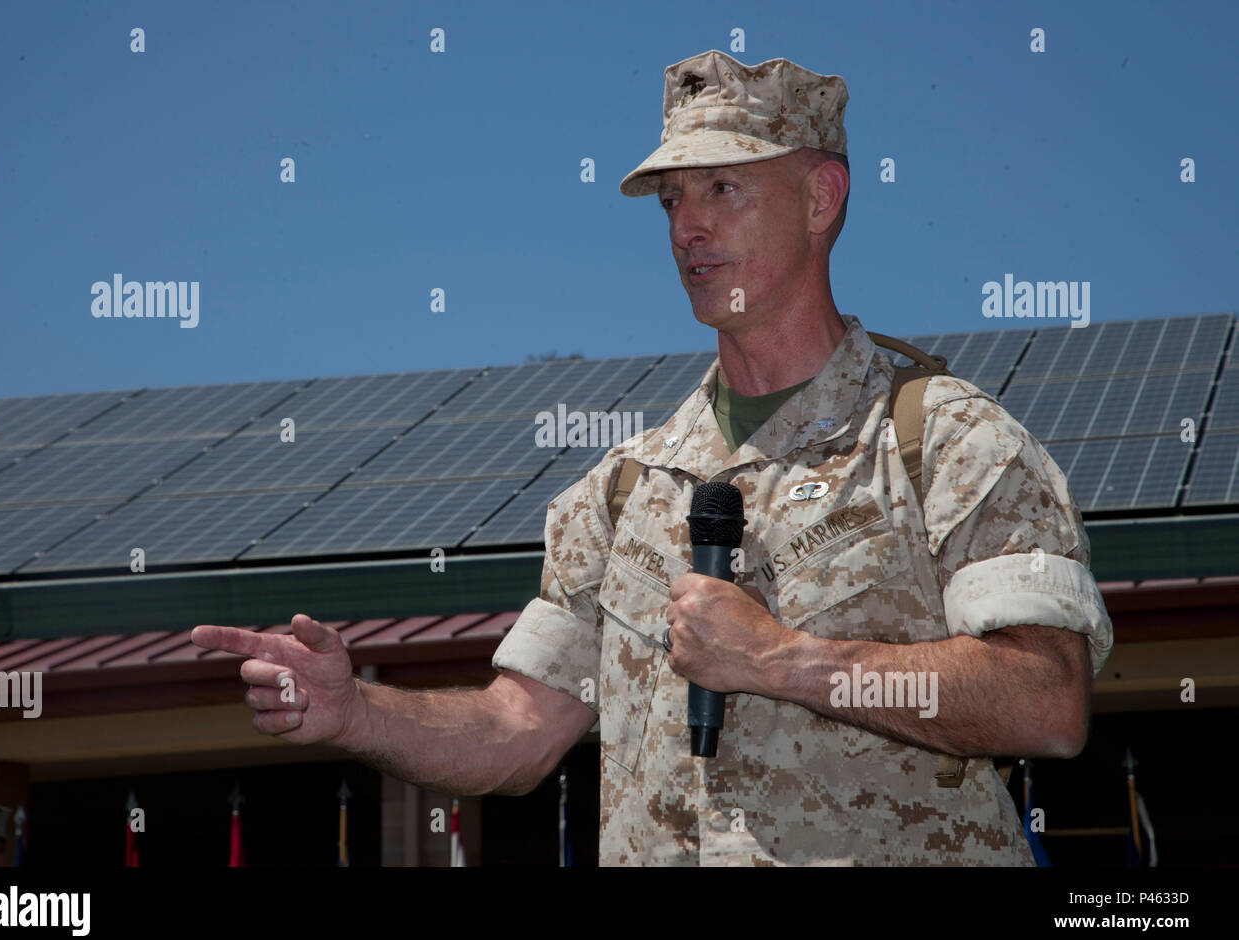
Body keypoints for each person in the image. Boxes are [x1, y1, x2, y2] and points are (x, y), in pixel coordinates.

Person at [192, 50, 1113, 866]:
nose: (686, 229)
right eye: (674, 200)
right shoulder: (624, 490)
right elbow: (517, 729)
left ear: (822, 198)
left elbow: (1046, 701)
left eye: (724, 189)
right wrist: (357, 710)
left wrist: (783, 660)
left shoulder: (942, 442)